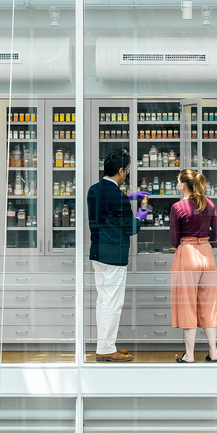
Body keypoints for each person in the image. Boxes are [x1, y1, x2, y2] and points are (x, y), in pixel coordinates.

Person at [87, 150, 149, 362]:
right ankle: (106, 349)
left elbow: (107, 209)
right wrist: (140, 215)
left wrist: (128, 197)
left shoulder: (93, 190)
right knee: (112, 303)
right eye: (127, 171)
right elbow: (131, 228)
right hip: (114, 256)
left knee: (103, 301)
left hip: (98, 253)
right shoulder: (119, 197)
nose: (126, 175)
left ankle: (106, 345)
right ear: (121, 170)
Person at [169, 169, 217, 363]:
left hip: (188, 252)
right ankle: (213, 352)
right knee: (209, 303)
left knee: (187, 303)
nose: (177, 186)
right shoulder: (210, 204)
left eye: (178, 182)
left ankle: (189, 354)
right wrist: (205, 245)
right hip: (207, 253)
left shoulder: (177, 207)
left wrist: (186, 246)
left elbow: (174, 239)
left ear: (183, 185)